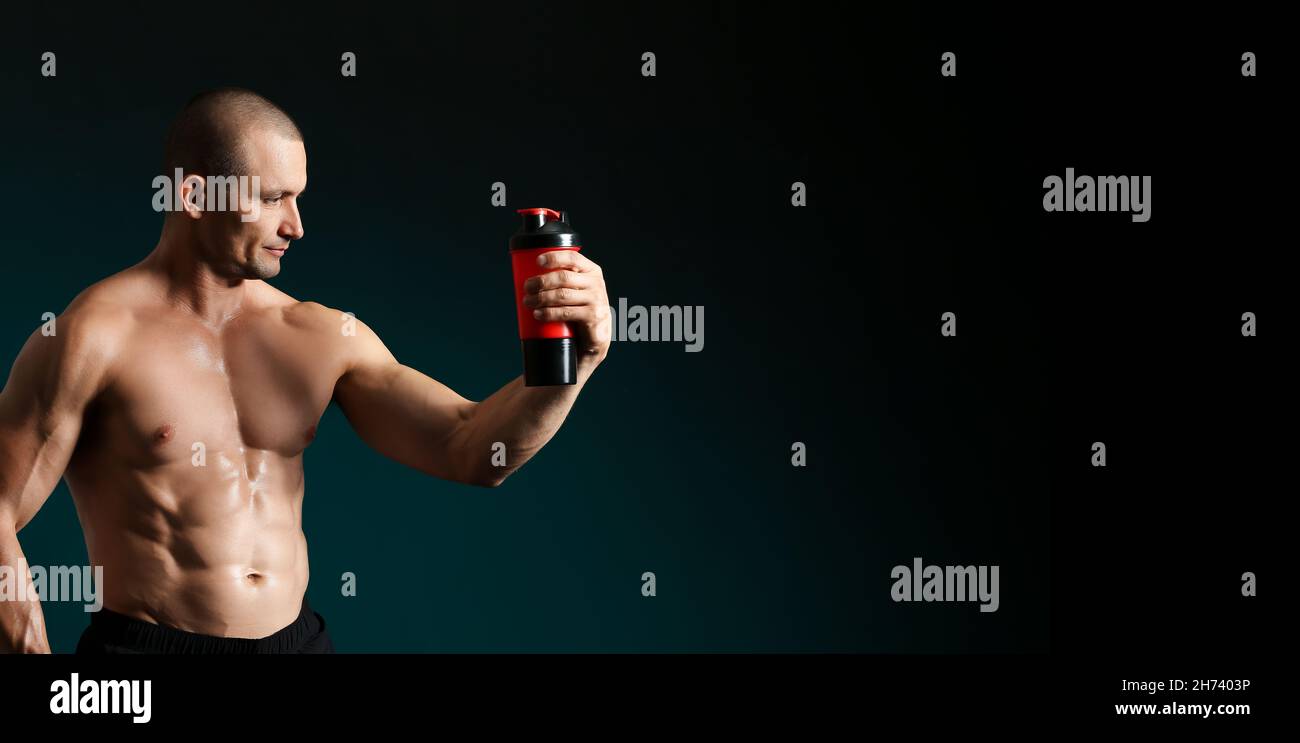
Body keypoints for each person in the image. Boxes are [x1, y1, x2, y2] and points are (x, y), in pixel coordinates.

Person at [0, 87, 611, 653]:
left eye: (297, 197)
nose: (296, 225)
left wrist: (574, 365)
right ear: (193, 195)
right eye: (272, 199)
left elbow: (470, 450)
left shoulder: (318, 335)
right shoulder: (92, 336)